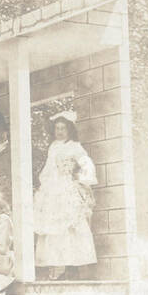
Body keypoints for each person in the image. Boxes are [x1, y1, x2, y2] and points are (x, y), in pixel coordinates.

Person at [33, 109, 98, 279]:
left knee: (71, 226)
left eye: (63, 128)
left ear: (69, 129)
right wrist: (44, 184)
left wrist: (81, 180)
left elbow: (86, 165)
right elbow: (48, 168)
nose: (59, 132)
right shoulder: (53, 147)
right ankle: (57, 266)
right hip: (53, 188)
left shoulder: (75, 147)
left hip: (68, 186)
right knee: (54, 227)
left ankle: (73, 265)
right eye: (57, 128)